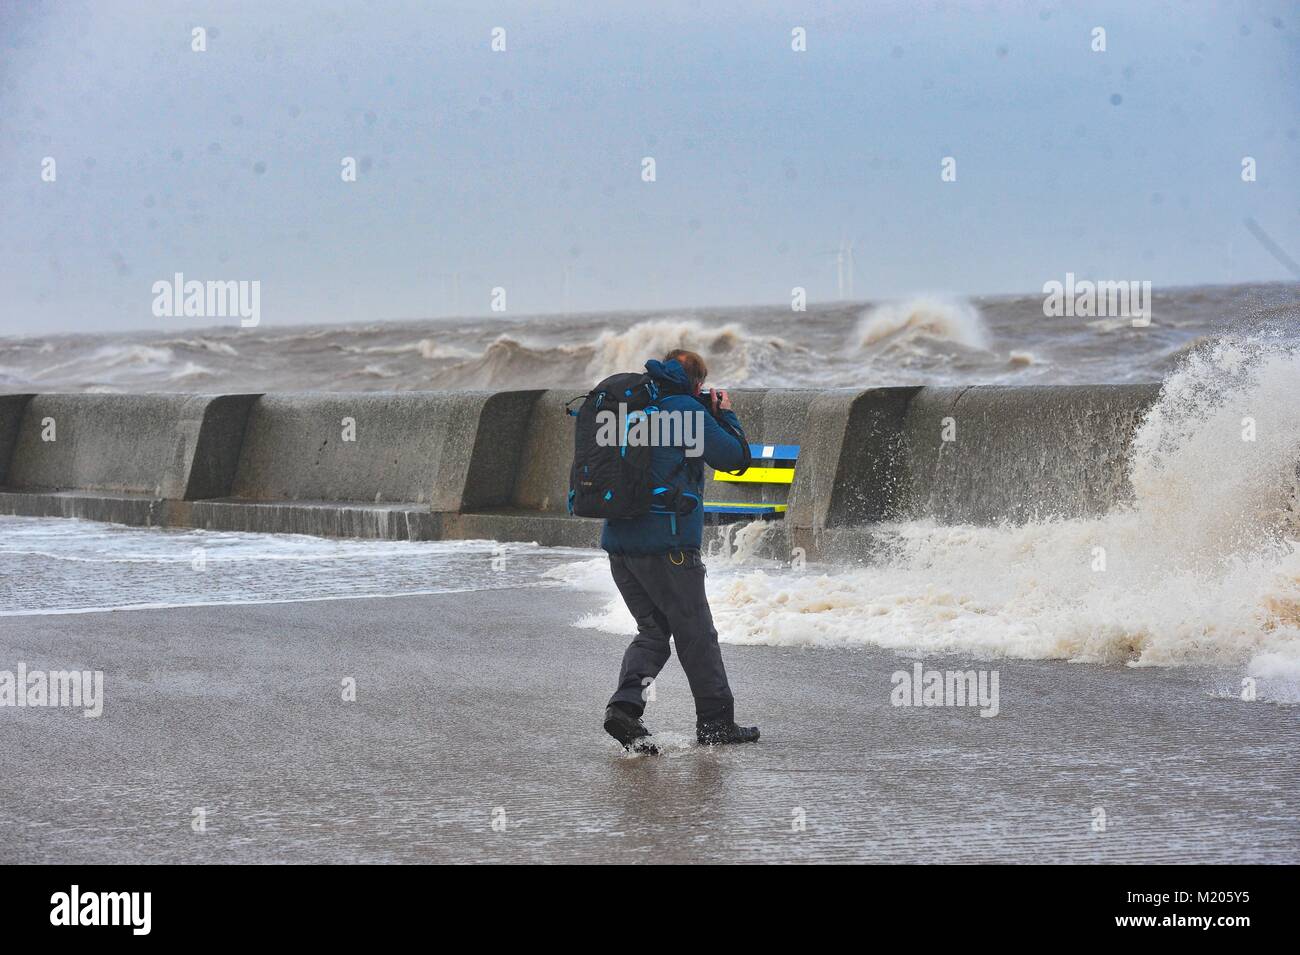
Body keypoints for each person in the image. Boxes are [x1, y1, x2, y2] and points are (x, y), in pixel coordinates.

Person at [601, 349, 761, 753]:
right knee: (697, 635)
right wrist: (724, 413)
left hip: (620, 545)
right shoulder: (686, 412)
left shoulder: (632, 407)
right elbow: (736, 459)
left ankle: (625, 709)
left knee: (653, 632)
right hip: (668, 546)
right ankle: (716, 724)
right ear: (697, 384)